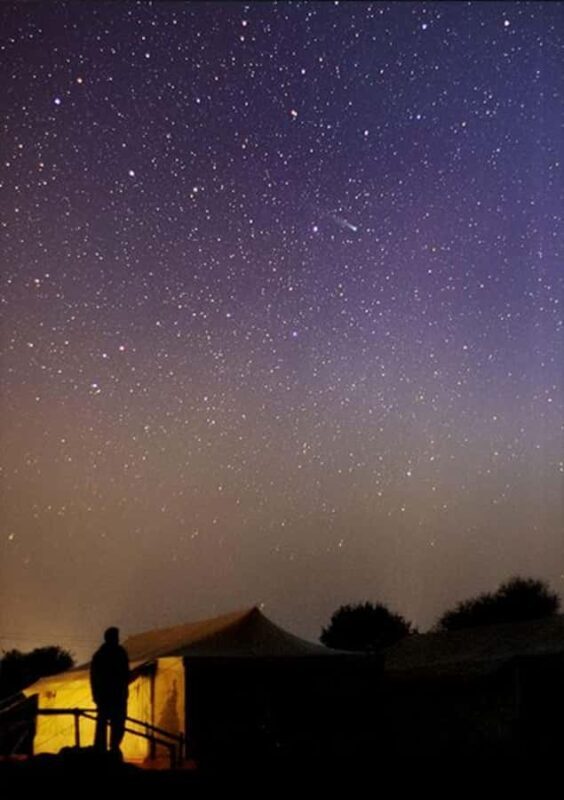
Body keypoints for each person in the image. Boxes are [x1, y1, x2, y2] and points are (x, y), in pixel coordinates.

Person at [90, 626, 130, 754]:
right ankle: (105, 748)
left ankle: (110, 747)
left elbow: (124, 673)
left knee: (113, 723)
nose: (117, 639)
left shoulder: (111, 653)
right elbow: (95, 677)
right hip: (110, 696)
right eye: (115, 637)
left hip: (113, 696)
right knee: (109, 723)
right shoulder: (105, 655)